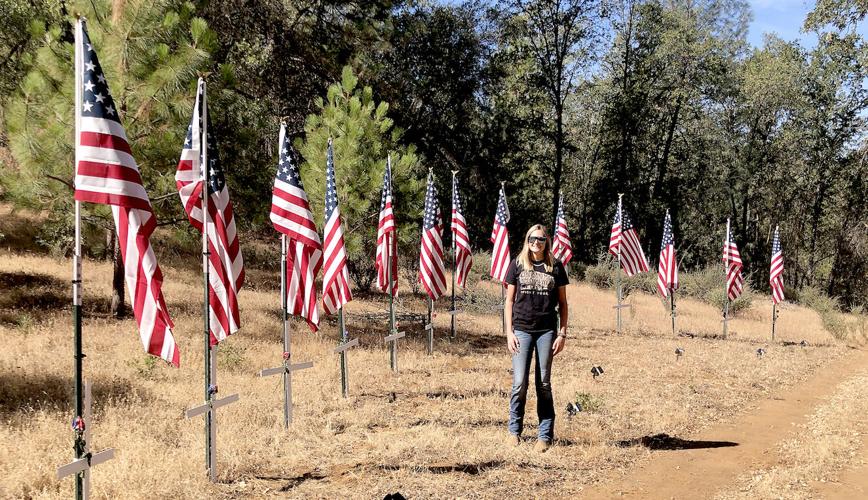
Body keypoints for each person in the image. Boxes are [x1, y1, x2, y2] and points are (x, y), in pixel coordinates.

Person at [504, 224, 569, 452]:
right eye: (533, 238)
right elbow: (509, 301)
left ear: (546, 242)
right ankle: (514, 431)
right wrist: (509, 332)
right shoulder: (517, 264)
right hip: (521, 329)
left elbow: (562, 303)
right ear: (527, 239)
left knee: (543, 383)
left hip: (546, 332)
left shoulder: (556, 266)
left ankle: (544, 435)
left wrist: (562, 333)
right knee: (519, 382)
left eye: (541, 239)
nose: (536, 243)